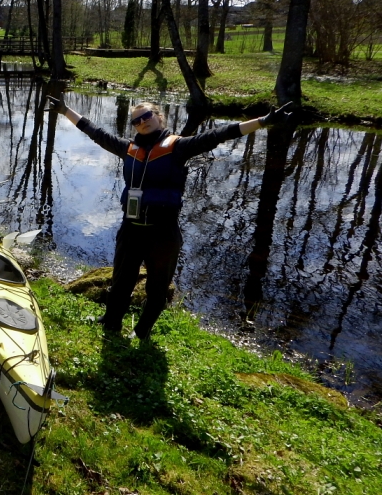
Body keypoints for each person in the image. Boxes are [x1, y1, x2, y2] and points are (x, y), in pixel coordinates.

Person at [49, 97, 293, 341]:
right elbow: (95, 132)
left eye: (147, 116)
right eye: (136, 120)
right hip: (131, 228)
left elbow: (219, 134)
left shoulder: (178, 147)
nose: (142, 122)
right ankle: (111, 320)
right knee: (121, 280)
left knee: (157, 287)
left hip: (163, 233)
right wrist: (65, 110)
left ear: (159, 117)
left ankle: (142, 331)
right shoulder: (127, 148)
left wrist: (263, 121)